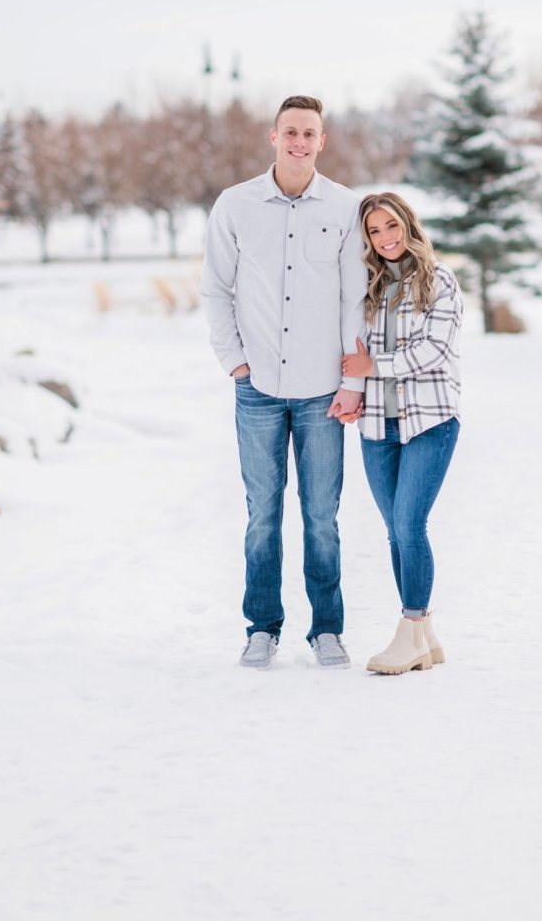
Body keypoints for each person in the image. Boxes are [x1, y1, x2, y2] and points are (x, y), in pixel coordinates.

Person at [201, 96, 367, 670]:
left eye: (310, 133)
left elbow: (355, 299)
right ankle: (262, 627)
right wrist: (236, 363)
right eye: (290, 131)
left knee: (322, 515)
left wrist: (351, 378)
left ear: (322, 142)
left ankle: (327, 629)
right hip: (259, 389)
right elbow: (215, 290)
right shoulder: (236, 205)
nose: (300, 141)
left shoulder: (346, 208)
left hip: (324, 391)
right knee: (262, 515)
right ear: (273, 136)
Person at [341, 192, 462, 675]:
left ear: (407, 226)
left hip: (430, 420)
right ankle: (424, 637)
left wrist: (374, 366)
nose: (385, 238)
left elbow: (433, 351)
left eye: (391, 226)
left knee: (411, 525)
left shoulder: (440, 281)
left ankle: (410, 630)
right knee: (395, 532)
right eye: (374, 231)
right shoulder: (368, 289)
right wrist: (353, 387)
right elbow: (350, 348)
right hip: (378, 426)